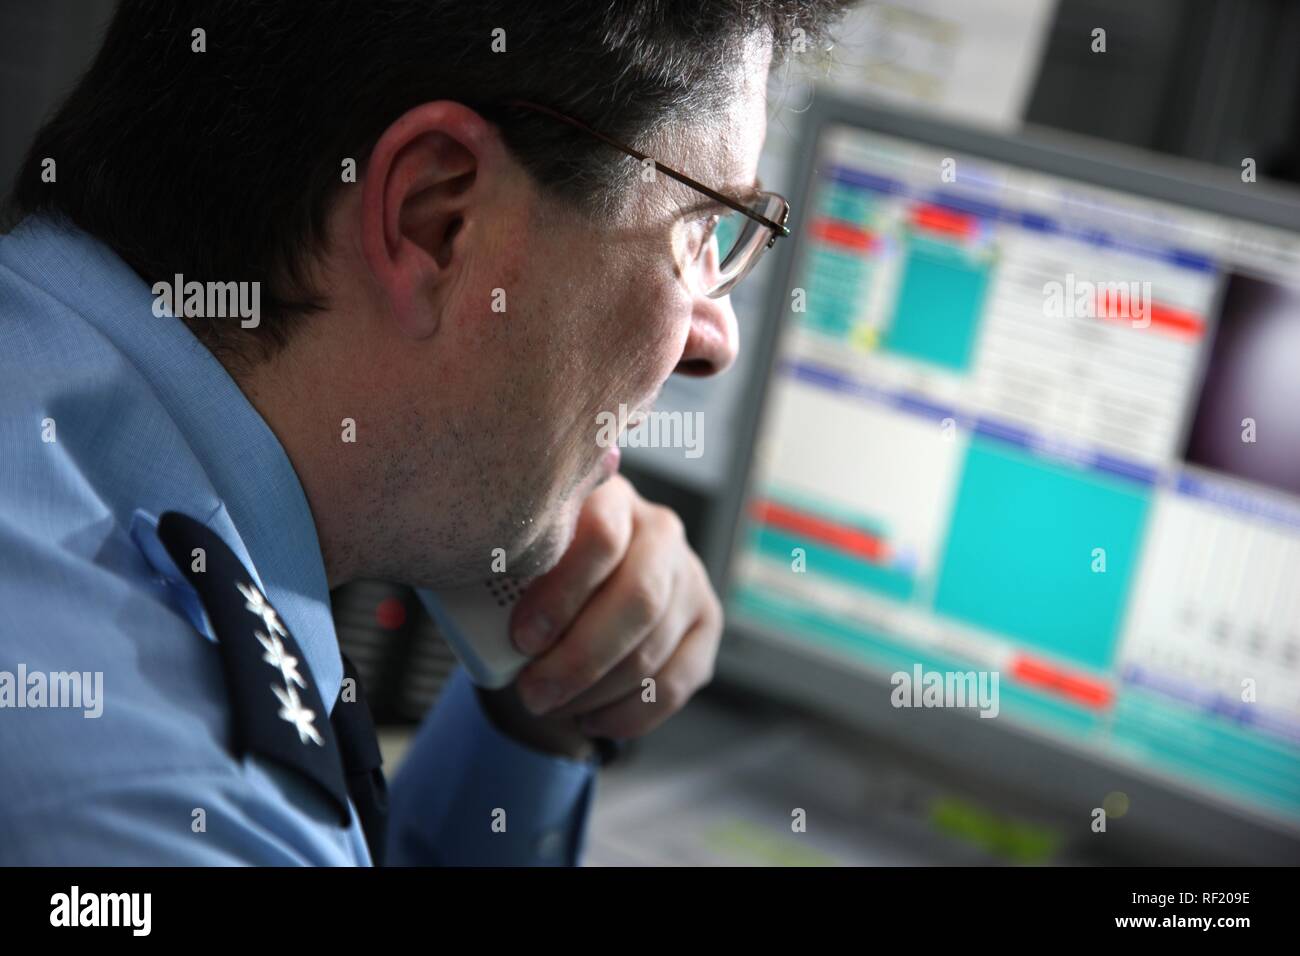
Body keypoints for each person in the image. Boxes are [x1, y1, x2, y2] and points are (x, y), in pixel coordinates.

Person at [0, 0, 850, 865]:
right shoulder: (176, 815)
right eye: (700, 226)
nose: (717, 340)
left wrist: (533, 713)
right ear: (435, 219)